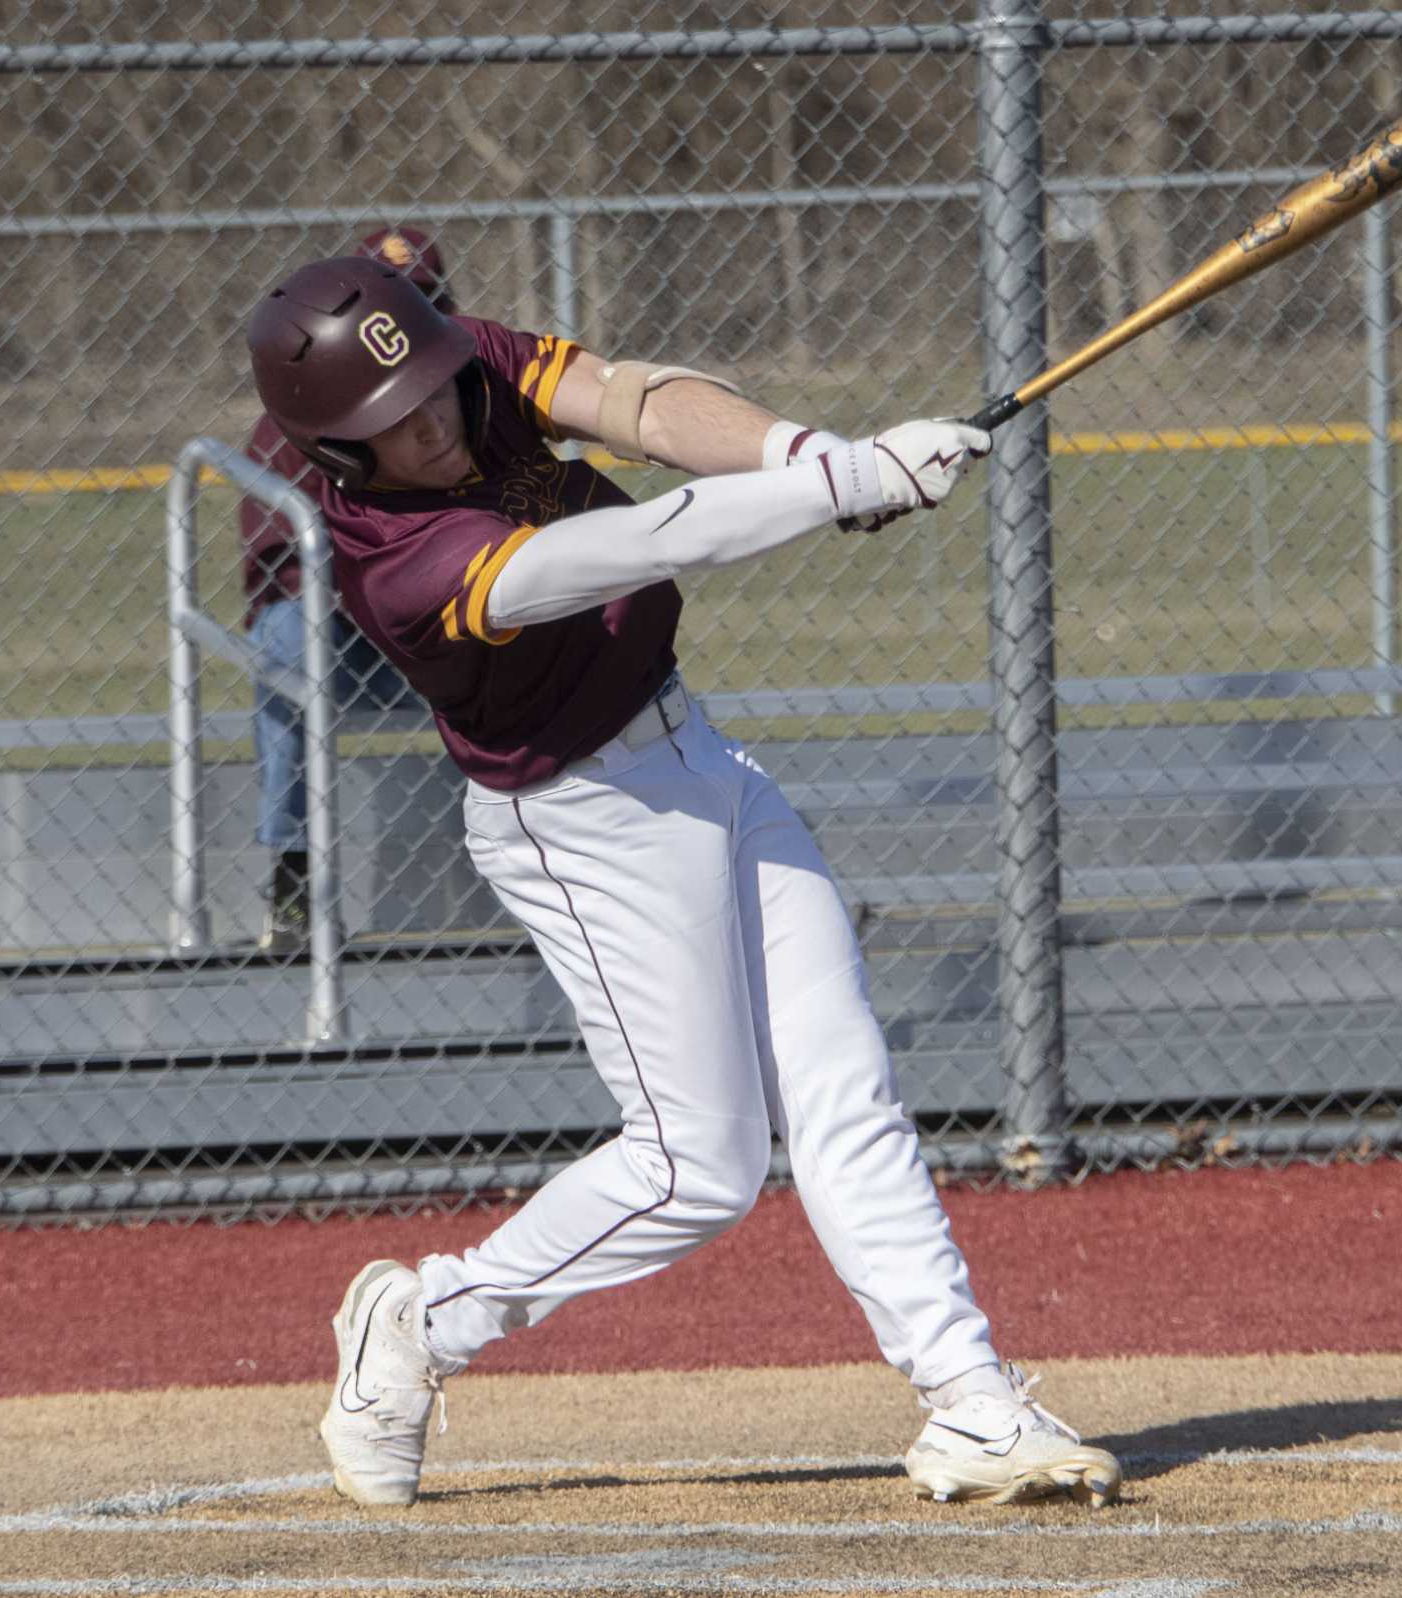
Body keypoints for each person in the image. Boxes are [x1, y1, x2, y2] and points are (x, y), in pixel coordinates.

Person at [246, 255, 1122, 1511]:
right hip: (582, 821)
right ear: (336, 448)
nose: (433, 420)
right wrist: (838, 487)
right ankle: (426, 1318)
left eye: (434, 388)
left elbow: (638, 401)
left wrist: (809, 452)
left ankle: (970, 1398)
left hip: (693, 751)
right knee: (695, 1167)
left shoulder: (455, 361)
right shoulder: (402, 564)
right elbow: (639, 539)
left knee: (843, 1085)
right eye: (394, 420)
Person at [242, 227, 445, 954]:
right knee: (287, 642)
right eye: (381, 315)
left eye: (417, 308)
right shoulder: (294, 405)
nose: (393, 337)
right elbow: (282, 571)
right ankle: (293, 877)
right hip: (346, 635)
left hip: (442, 620)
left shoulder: (472, 397)